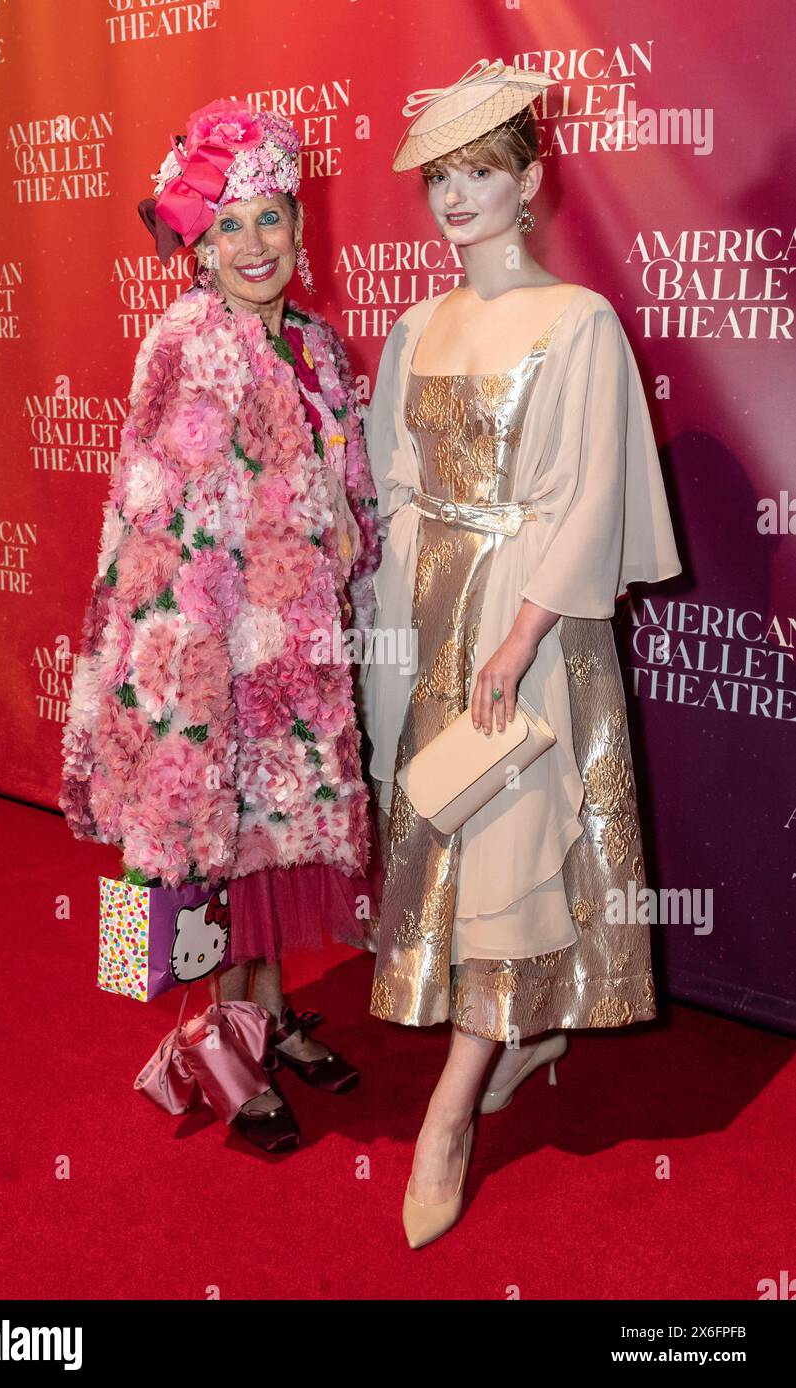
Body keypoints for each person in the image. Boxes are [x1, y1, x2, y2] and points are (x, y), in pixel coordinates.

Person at [361, 60, 682, 1244]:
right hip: (431, 615)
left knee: (509, 847)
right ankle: (524, 1031)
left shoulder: (576, 322)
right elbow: (396, 480)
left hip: (525, 630)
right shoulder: (417, 323)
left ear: (529, 183)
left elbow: (588, 498)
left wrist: (516, 633)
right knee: (455, 834)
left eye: (480, 174)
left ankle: (449, 1115)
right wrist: (398, 615)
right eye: (441, 177)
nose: (457, 198)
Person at [61, 99, 383, 1154]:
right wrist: (175, 694)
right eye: (229, 226)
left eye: (270, 221)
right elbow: (153, 519)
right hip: (200, 656)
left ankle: (271, 1015)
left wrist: (347, 548)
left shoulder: (320, 346)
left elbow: (347, 492)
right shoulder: (184, 340)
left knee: (270, 847)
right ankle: (210, 1039)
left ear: (298, 225)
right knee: (200, 846)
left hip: (291, 651)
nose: (253, 246)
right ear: (196, 245)